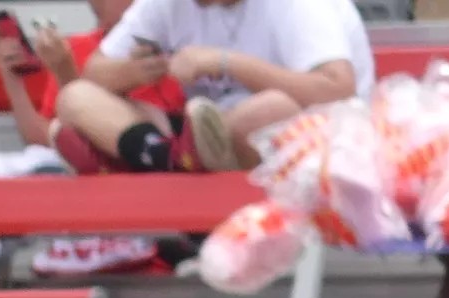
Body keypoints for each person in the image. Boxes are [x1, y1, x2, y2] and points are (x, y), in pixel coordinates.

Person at [0, 0, 188, 294]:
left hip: (77, 177)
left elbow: (80, 143)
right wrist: (10, 77)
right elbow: (40, 138)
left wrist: (65, 70)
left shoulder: (162, 60)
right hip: (31, 169)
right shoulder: (77, 46)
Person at [53, 0, 370, 175]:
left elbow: (337, 89)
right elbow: (94, 73)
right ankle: (163, 157)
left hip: (315, 149)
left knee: (272, 109)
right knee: (74, 98)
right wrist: (135, 71)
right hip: (195, 138)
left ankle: (141, 157)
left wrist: (226, 62)